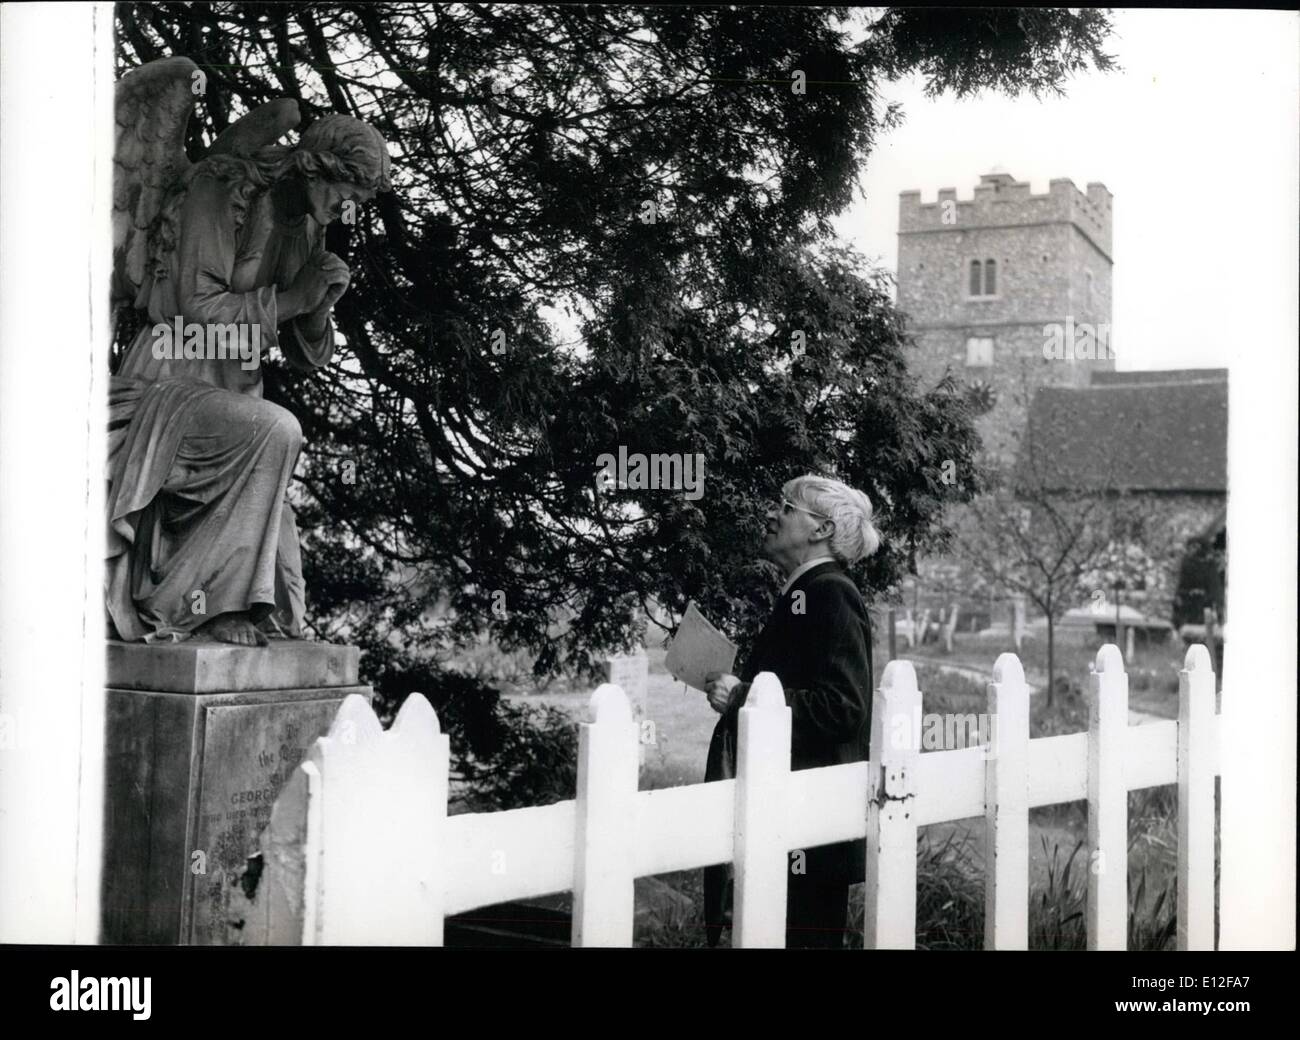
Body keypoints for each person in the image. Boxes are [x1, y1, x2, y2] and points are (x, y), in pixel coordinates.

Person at [107, 111, 392, 646]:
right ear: (316, 165)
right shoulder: (221, 186)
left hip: (234, 389)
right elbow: (196, 306)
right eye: (344, 188)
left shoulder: (307, 222)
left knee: (286, 619)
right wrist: (291, 300)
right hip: (170, 374)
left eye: (357, 197)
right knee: (276, 431)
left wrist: (315, 308)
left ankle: (226, 607)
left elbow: (306, 354)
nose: (346, 206)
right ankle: (210, 608)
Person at [702, 474, 880, 948]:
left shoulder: (831, 593)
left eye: (786, 507)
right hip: (788, 822)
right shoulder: (807, 591)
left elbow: (844, 707)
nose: (772, 513)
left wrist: (742, 697)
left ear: (820, 530)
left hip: (809, 832)